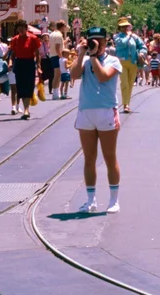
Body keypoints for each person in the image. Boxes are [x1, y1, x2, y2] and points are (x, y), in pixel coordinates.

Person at [71, 26, 123, 214]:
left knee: (109, 156)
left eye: (100, 40)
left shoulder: (113, 60)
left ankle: (114, 200)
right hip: (86, 111)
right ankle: (90, 200)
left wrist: (93, 56)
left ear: (106, 41)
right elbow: (73, 75)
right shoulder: (85, 60)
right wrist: (81, 54)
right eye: (93, 40)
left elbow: (103, 77)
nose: (97, 43)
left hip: (106, 111)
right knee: (89, 158)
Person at [7, 19, 40, 119]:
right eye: (19, 28)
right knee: (21, 87)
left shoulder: (33, 38)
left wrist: (39, 66)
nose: (20, 30)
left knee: (29, 86)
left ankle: (26, 109)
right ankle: (26, 109)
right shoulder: (15, 39)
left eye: (22, 28)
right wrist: (10, 62)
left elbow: (37, 54)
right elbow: (13, 54)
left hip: (29, 63)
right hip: (19, 64)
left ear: (26, 28)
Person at [113, 18, 145, 112]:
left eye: (126, 26)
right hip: (122, 62)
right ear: (119, 28)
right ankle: (125, 104)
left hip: (133, 62)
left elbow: (142, 46)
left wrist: (142, 52)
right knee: (124, 83)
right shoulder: (117, 37)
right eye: (122, 27)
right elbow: (122, 44)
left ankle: (127, 104)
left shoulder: (134, 37)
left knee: (130, 84)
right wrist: (128, 36)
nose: (124, 28)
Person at [49, 21, 67, 100]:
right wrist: (61, 58)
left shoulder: (52, 34)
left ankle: (56, 92)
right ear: (62, 27)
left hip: (53, 55)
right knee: (57, 75)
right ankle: (55, 93)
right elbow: (57, 48)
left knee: (57, 75)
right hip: (57, 56)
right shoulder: (59, 35)